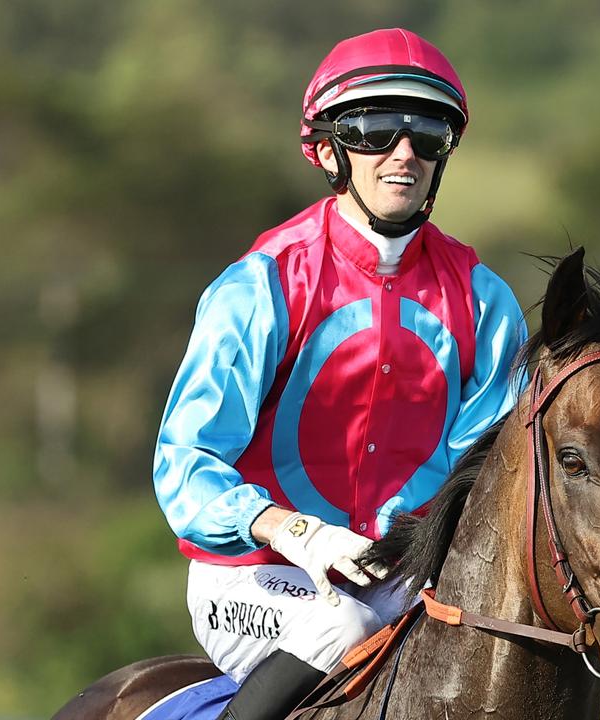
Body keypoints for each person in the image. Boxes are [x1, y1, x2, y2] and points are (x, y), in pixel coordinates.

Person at [152, 28, 527, 720]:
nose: (404, 153)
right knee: (345, 625)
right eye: (376, 131)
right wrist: (295, 532)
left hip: (404, 578)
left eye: (428, 135)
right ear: (329, 151)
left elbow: (486, 471)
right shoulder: (261, 286)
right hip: (257, 578)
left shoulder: (485, 303)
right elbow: (185, 463)